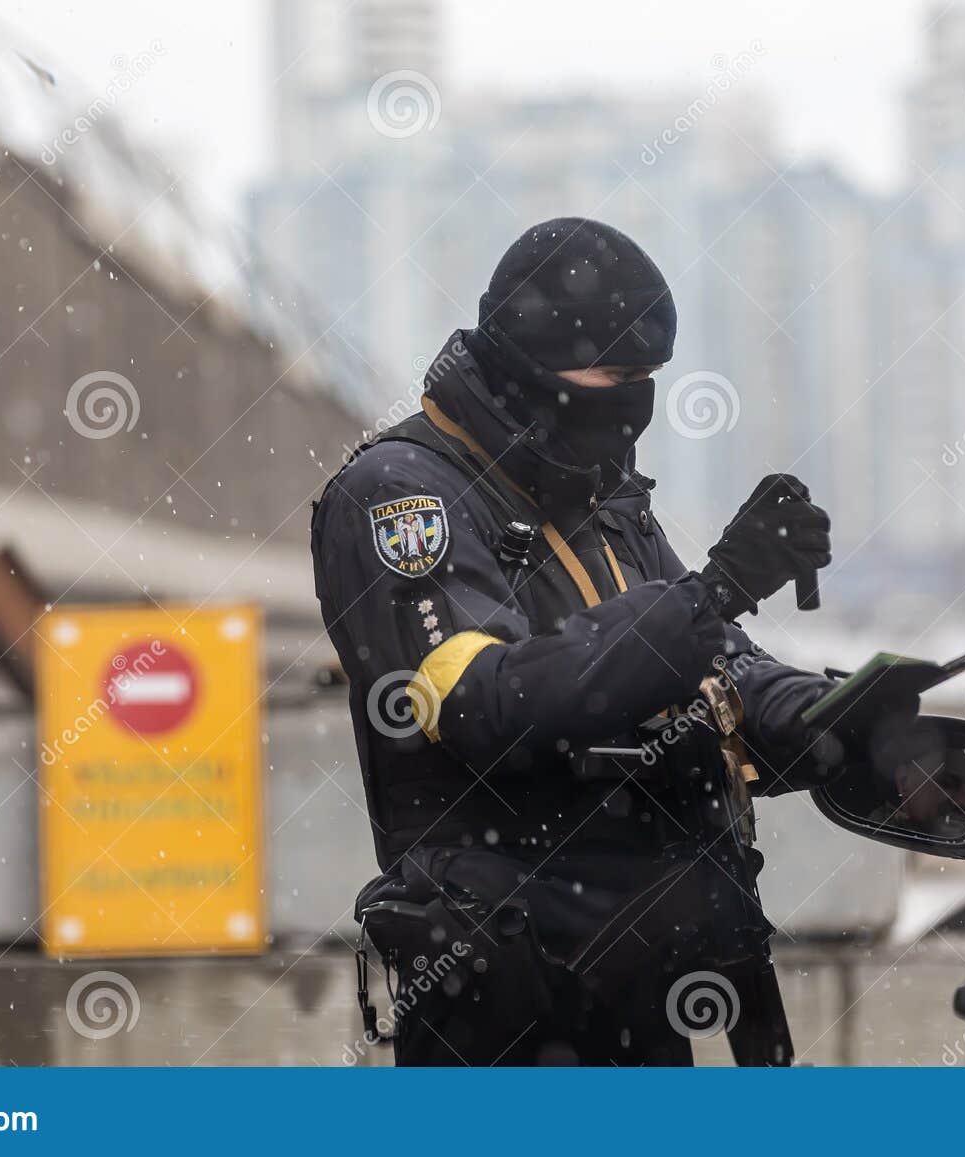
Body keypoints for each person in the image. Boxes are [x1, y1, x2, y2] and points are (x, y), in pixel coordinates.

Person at [311, 217, 922, 1066]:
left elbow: (712, 670)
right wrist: (713, 589)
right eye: (617, 372)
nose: (634, 399)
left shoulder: (601, 493)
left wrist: (832, 715)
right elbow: (487, 702)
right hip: (508, 1012)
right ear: (529, 363)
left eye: (649, 376)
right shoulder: (401, 497)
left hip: (647, 989)